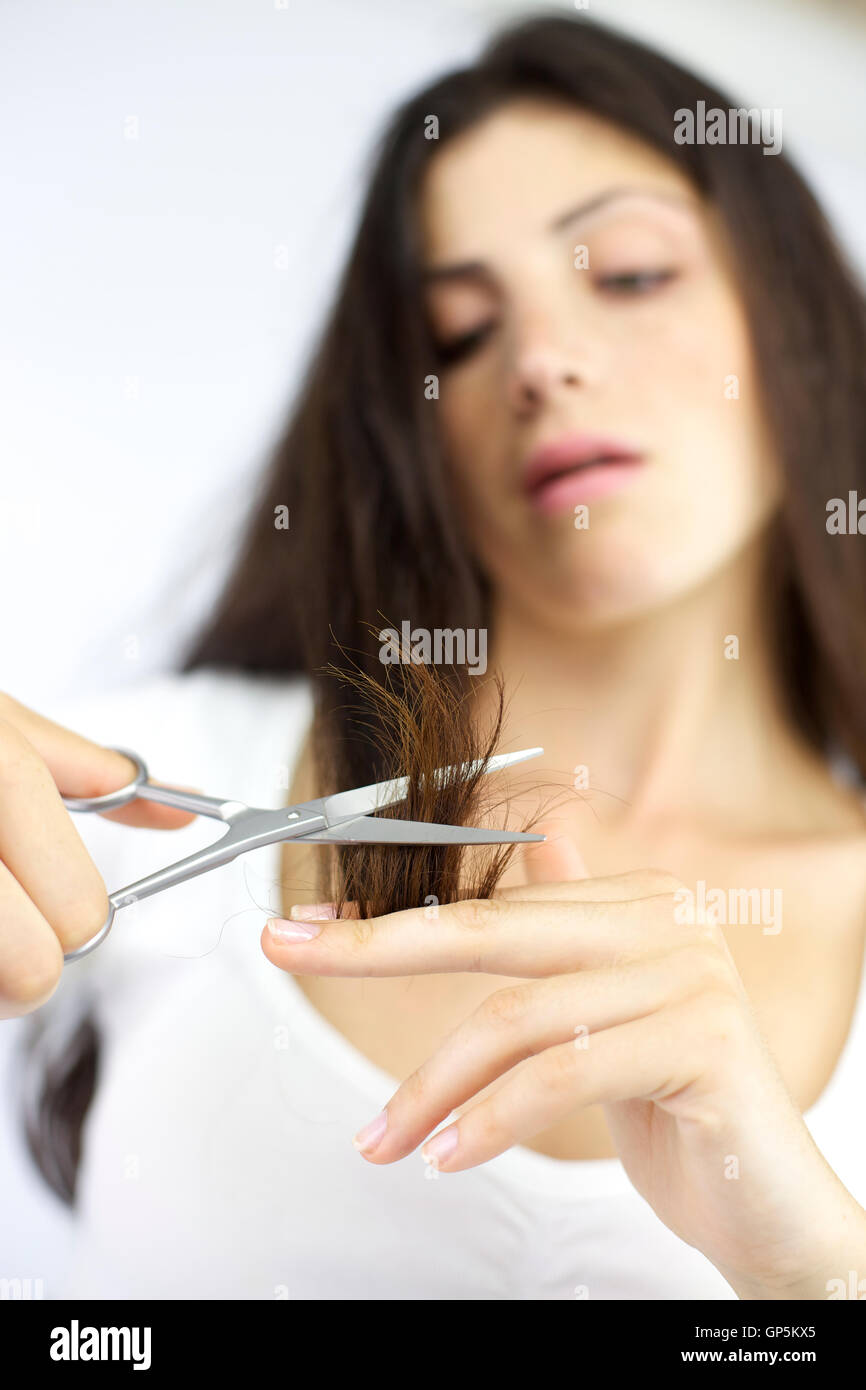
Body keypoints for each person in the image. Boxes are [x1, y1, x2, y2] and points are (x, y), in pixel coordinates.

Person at [5, 14, 866, 1300]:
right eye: (456, 336)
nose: (541, 360)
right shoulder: (134, 793)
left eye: (627, 273)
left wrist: (811, 1277)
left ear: (790, 313)